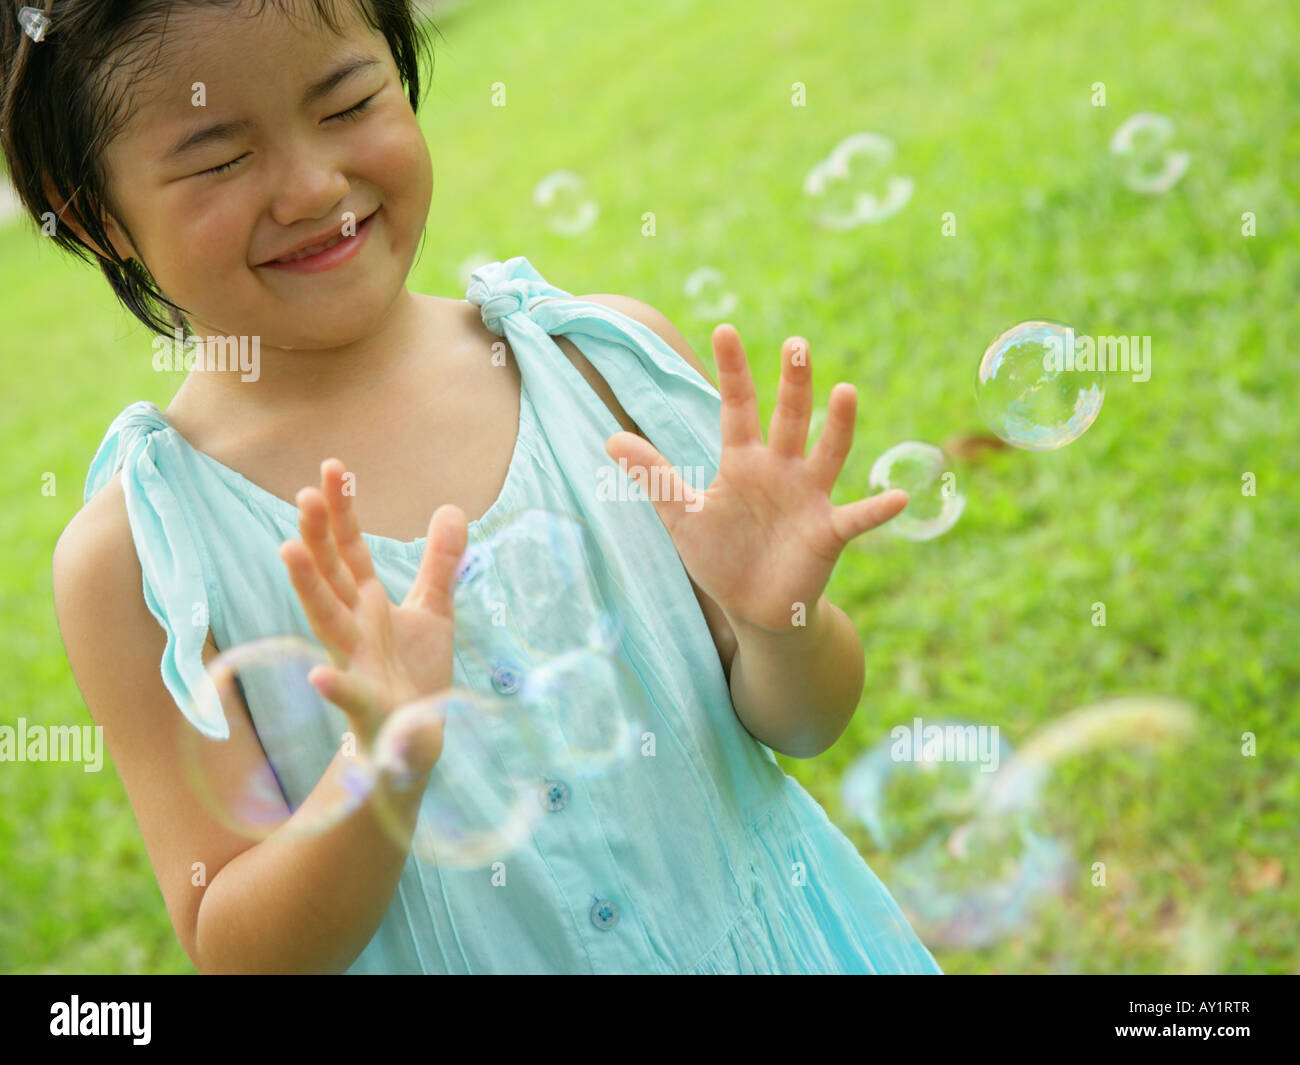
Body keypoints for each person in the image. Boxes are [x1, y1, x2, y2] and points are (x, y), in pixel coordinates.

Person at [7, 0, 943, 974]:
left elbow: (805, 719)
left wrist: (778, 623)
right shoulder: (143, 558)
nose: (312, 184)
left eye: (347, 102)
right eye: (218, 158)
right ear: (92, 211)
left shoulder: (597, 371)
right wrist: (377, 771)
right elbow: (237, 949)